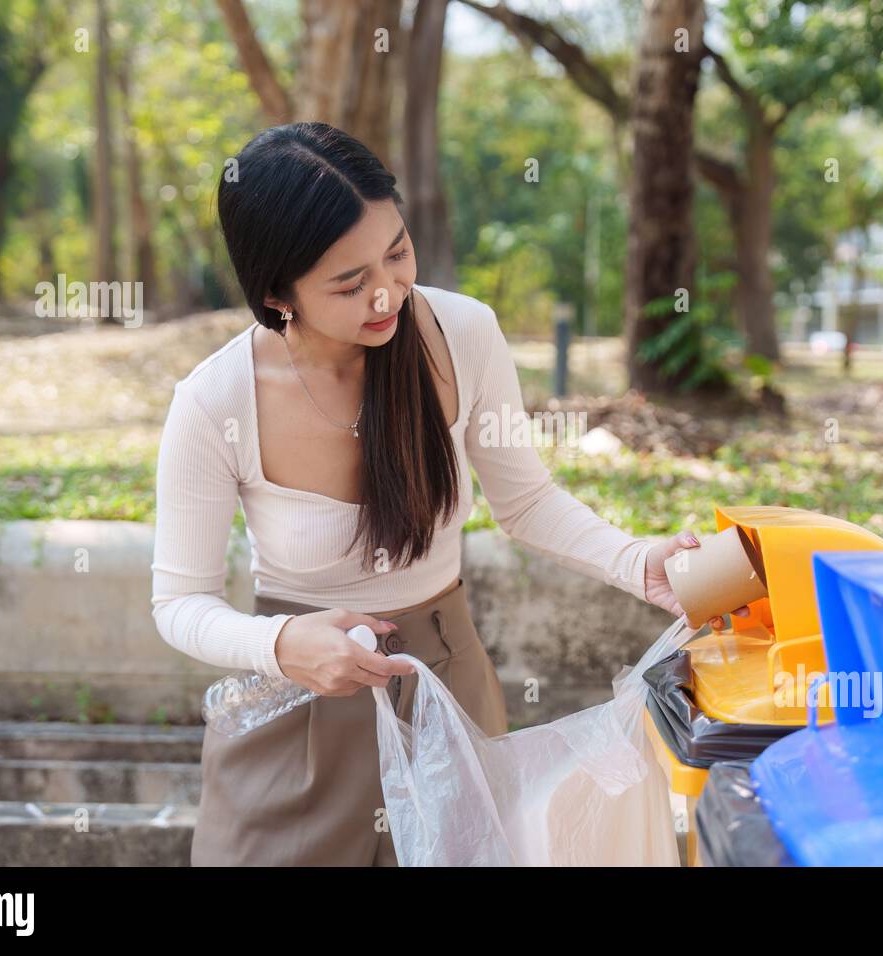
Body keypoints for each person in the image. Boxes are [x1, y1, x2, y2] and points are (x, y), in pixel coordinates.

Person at [150, 122, 743, 866]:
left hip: (446, 683)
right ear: (277, 294)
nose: (386, 291)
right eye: (346, 281)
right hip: (296, 698)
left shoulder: (460, 333)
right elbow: (179, 603)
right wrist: (279, 644)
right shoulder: (215, 402)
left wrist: (636, 562)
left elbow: (525, 502)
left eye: (397, 251)